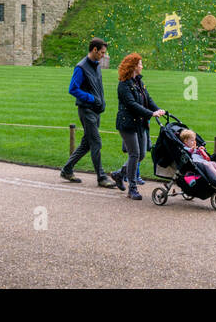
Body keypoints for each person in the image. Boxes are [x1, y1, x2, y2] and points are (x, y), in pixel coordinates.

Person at [60, 38, 118, 187]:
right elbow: (73, 89)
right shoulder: (81, 67)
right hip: (86, 110)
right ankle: (101, 177)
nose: (104, 56)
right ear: (94, 50)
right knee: (96, 142)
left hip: (95, 110)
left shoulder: (97, 66)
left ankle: (67, 169)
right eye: (102, 52)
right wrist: (91, 98)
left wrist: (100, 102)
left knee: (87, 144)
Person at [115, 53, 164, 201]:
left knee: (141, 155)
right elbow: (132, 104)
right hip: (127, 124)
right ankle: (132, 188)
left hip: (139, 123)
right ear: (134, 66)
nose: (142, 66)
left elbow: (147, 99)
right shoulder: (124, 85)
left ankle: (119, 174)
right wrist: (151, 113)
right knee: (134, 154)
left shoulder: (138, 82)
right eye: (141, 64)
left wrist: (159, 110)